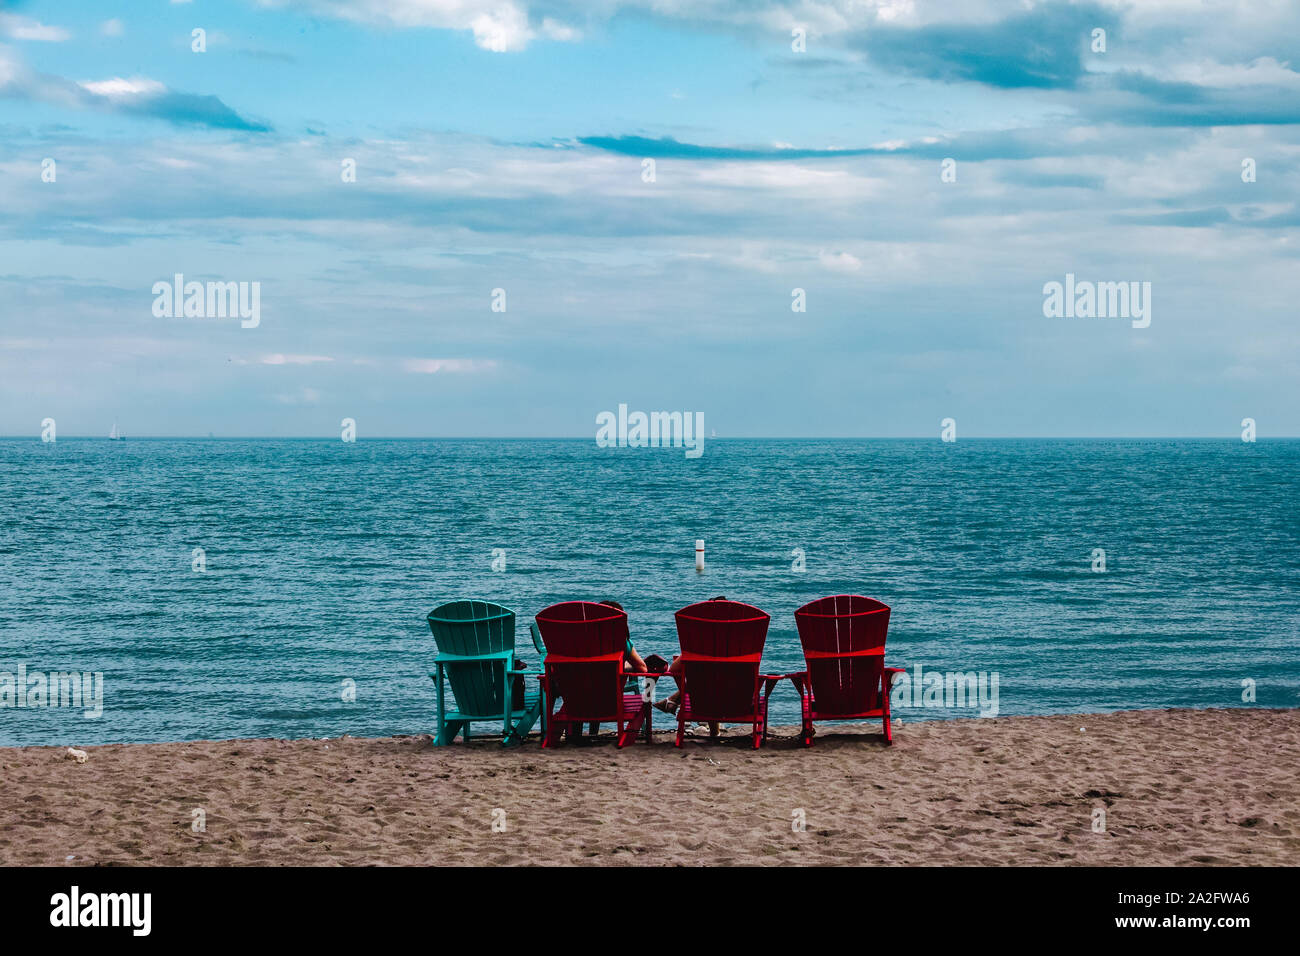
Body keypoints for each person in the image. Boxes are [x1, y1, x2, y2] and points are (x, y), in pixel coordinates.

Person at [654, 596, 727, 737]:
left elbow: (673, 670)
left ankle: (672, 700)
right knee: (711, 679)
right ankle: (673, 700)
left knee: (704, 678)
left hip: (705, 703)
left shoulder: (698, 647)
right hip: (739, 704)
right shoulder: (744, 647)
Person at [576, 600, 647, 739]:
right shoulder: (624, 644)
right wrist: (625, 666)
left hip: (578, 703)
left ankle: (576, 735)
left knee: (586, 686)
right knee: (649, 689)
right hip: (610, 703)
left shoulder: (578, 641)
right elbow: (643, 669)